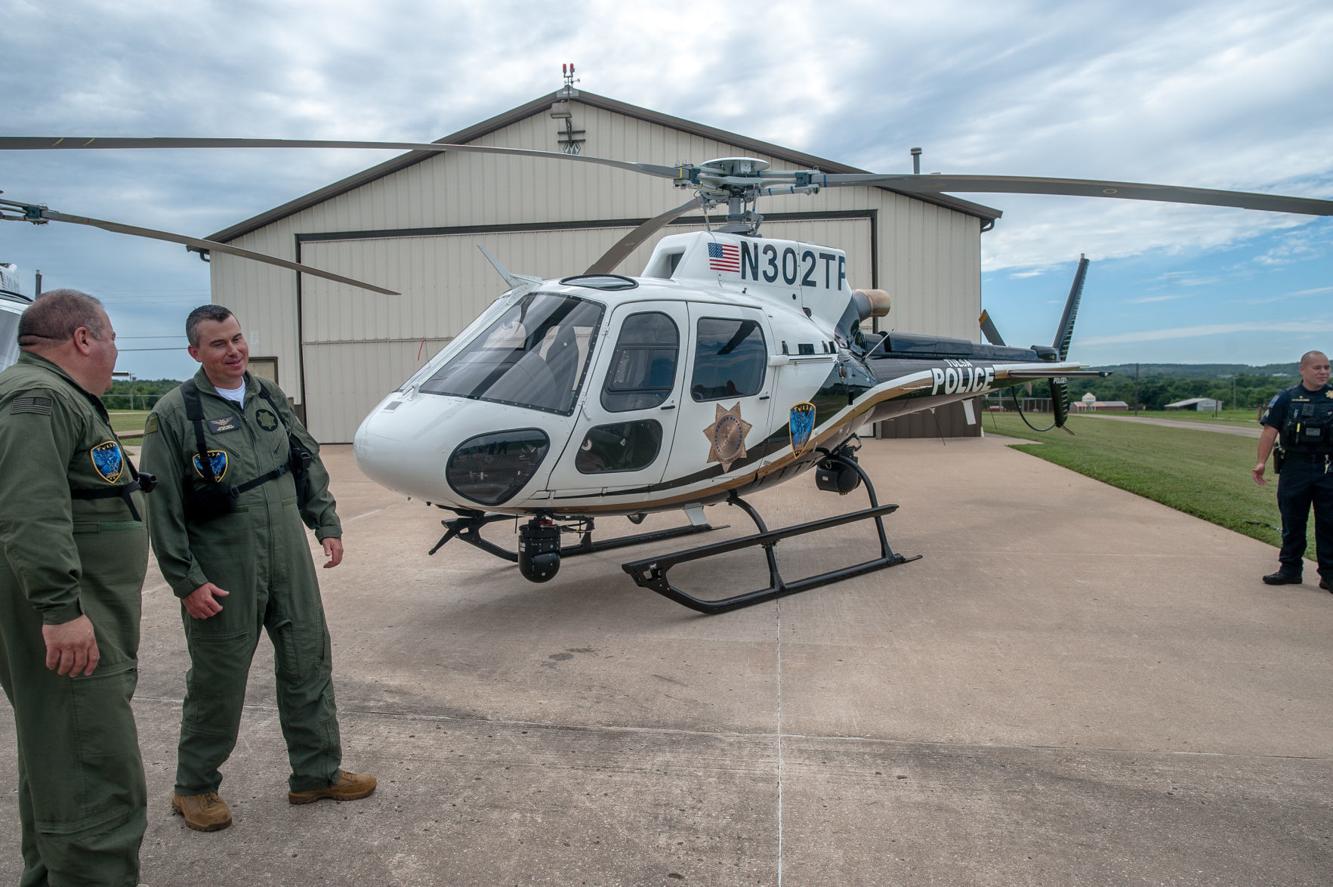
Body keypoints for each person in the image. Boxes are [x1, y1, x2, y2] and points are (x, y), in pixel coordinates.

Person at [141, 304, 374, 833]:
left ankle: (316, 773)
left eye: (238, 338)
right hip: (223, 565)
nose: (234, 351)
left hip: (287, 552)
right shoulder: (173, 413)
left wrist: (326, 521)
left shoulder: (267, 394)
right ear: (195, 353)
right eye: (219, 344)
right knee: (218, 680)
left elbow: (304, 456)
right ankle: (194, 787)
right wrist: (186, 580)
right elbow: (162, 506)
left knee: (307, 660)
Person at [0, 290, 150, 885]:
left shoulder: (56, 397)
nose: (116, 351)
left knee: (58, 759)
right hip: (69, 621)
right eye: (111, 337)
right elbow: (31, 511)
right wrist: (62, 610)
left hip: (83, 611)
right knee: (93, 772)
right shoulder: (39, 398)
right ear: (83, 339)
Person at [1252, 350, 1333, 592]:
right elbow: (1269, 430)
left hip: (1328, 467)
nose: (1323, 372)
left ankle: (1329, 573)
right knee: (1292, 519)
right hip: (1295, 466)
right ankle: (1290, 569)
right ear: (1303, 370)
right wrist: (1261, 462)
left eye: (1326, 368)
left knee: (1329, 522)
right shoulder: (1286, 398)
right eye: (1317, 368)